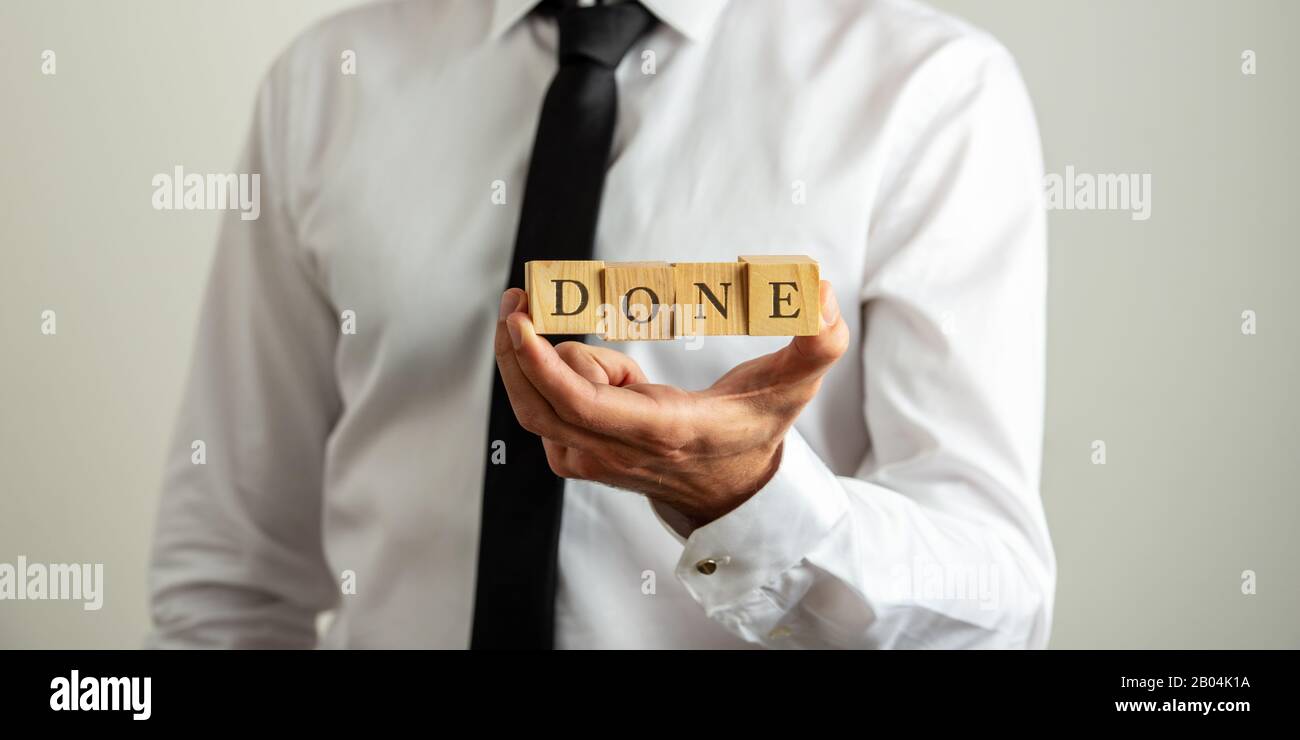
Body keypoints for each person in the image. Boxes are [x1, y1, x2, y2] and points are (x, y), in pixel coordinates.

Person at [149, 0, 1054, 649]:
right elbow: (227, 584)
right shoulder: (324, 83)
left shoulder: (928, 88)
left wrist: (745, 498)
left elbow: (998, 605)